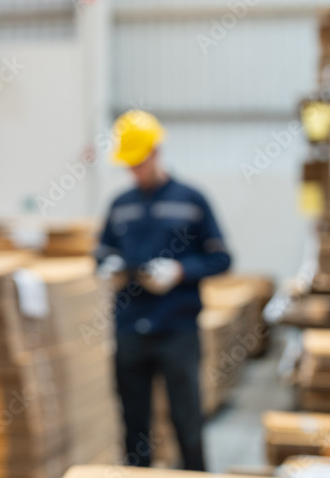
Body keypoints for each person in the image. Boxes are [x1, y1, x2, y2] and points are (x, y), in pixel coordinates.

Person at [95, 110, 231, 471]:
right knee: (134, 425)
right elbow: (102, 251)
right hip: (130, 328)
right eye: (129, 165)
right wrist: (108, 268)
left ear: (155, 152)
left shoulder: (191, 200)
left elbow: (221, 259)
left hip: (177, 329)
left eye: (138, 163)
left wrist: (180, 270)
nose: (134, 171)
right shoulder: (120, 206)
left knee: (186, 419)